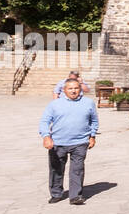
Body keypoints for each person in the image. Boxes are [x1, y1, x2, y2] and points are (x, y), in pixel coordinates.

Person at [39, 75, 99, 205]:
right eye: (70, 88)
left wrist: (92, 136)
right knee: (56, 169)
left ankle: (75, 196)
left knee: (77, 169)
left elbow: (94, 120)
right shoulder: (55, 104)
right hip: (58, 143)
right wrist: (46, 136)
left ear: (80, 89)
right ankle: (56, 193)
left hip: (80, 142)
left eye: (76, 88)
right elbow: (44, 121)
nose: (73, 91)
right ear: (64, 90)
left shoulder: (88, 103)